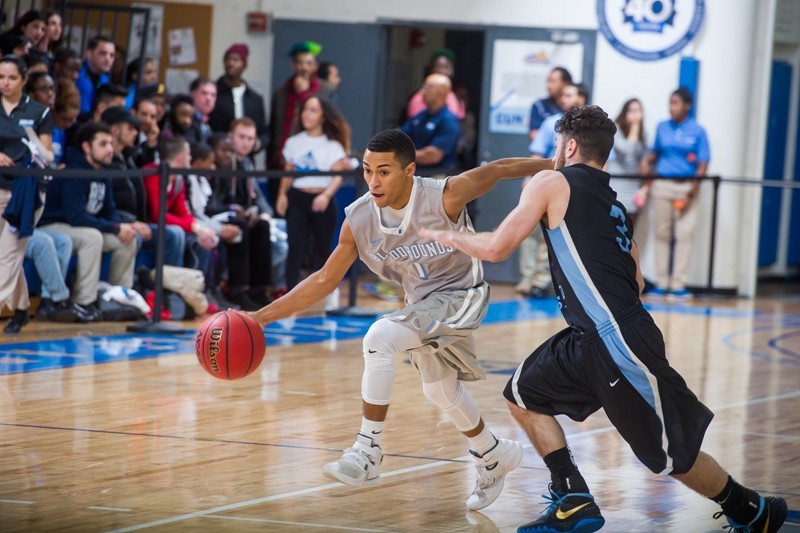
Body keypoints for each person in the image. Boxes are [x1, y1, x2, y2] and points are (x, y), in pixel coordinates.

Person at [419, 105, 787, 533]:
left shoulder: (551, 181)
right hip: (592, 334)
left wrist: (449, 236)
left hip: (616, 339)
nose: (555, 152)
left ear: (569, 145)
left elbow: (498, 247)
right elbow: (638, 280)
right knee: (523, 394)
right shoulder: (615, 206)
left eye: (558, 144)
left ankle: (751, 510)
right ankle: (572, 497)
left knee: (670, 457)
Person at [251, 129, 554, 510]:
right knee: (439, 390)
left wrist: (558, 166)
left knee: (379, 337)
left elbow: (498, 168)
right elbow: (324, 280)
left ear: (409, 171)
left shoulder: (444, 195)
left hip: (462, 295)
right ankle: (492, 454)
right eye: (366, 170)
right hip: (421, 304)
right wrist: (260, 318)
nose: (373, 181)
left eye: (384, 171)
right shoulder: (359, 218)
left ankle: (367, 450)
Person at [39, 121, 140, 317]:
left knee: (127, 238)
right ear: (86, 147)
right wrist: (114, 227)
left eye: (110, 143)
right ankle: (84, 301)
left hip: (81, 225)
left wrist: (120, 226)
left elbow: (109, 211)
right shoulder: (73, 173)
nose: (110, 149)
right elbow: (76, 217)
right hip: (53, 225)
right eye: (103, 144)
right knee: (92, 237)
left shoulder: (102, 173)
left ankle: (117, 298)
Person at [516, 82, 589, 298]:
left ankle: (541, 281)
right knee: (528, 231)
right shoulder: (551, 123)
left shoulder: (590, 129)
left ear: (581, 98)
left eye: (569, 95)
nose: (563, 99)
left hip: (568, 186)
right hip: (545, 180)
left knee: (550, 235)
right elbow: (537, 153)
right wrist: (529, 178)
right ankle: (526, 279)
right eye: (563, 95)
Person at [639, 87, 710, 301]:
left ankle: (679, 284)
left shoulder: (698, 131)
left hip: (686, 187)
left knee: (684, 235)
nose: (672, 108)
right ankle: (662, 282)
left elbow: (703, 163)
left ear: (687, 105)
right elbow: (655, 153)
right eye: (670, 103)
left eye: (676, 103)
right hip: (662, 185)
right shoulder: (662, 127)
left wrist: (691, 192)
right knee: (662, 233)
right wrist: (645, 162)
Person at [0, 55, 54, 334]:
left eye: (11, 78)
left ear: (23, 80)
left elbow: (47, 155)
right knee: (7, 254)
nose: (5, 83)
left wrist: (32, 142)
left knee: (8, 253)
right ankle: (21, 308)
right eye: (1, 77)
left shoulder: (39, 112)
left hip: (25, 190)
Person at [277, 95, 350, 289]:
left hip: (322, 199)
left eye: (313, 110)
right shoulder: (294, 142)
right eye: (305, 110)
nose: (307, 115)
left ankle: (320, 293)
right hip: (297, 197)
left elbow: (337, 175)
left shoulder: (333, 145)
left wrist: (326, 195)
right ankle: (290, 292)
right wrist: (282, 194)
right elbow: (288, 171)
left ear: (323, 116)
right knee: (295, 247)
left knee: (322, 249)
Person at [267, 41, 332, 171]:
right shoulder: (281, 92)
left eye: (309, 63)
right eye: (300, 63)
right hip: (281, 160)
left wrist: (304, 94)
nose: (304, 67)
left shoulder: (326, 90)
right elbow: (274, 129)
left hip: (312, 161)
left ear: (316, 66)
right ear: (293, 65)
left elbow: (327, 121)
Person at [208, 44, 268, 154]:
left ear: (244, 65)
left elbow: (264, 134)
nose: (231, 63)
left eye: (236, 60)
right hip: (219, 157)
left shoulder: (255, 99)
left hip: (246, 161)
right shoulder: (213, 93)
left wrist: (255, 144)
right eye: (228, 59)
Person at [400, 73, 460, 174]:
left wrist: (399, 155)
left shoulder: (449, 121)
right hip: (415, 174)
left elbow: (433, 156)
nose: (422, 92)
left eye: (426, 88)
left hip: (438, 178)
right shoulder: (420, 116)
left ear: (440, 93)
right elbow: (400, 137)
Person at [606, 98, 648, 219]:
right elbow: (628, 149)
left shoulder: (643, 134)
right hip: (617, 186)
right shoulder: (616, 131)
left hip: (633, 187)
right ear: (624, 113)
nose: (636, 114)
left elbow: (644, 163)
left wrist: (644, 189)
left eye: (638, 110)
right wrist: (635, 126)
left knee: (629, 231)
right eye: (632, 111)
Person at [405, 48, 465, 121]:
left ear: (452, 71)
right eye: (437, 67)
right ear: (432, 70)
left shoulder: (456, 98)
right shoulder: (421, 96)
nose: (441, 71)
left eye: (445, 67)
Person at [75, 35, 115, 116]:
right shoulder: (76, 75)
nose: (108, 59)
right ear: (89, 54)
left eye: (112, 55)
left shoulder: (105, 80)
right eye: (103, 53)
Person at [528, 67, 572, 141]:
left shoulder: (574, 107)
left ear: (566, 83)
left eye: (553, 81)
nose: (549, 86)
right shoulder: (539, 106)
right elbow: (534, 136)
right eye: (548, 81)